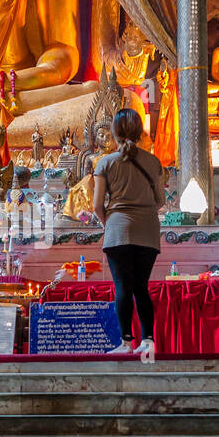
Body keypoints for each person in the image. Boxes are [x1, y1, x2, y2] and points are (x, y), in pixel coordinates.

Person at [93, 108, 164, 358]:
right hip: (147, 230)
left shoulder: (106, 162)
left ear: (114, 132)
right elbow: (160, 200)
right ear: (139, 131)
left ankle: (125, 342)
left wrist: (109, 223)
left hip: (118, 229)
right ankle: (148, 340)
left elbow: (96, 205)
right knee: (141, 287)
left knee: (122, 286)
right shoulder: (153, 161)